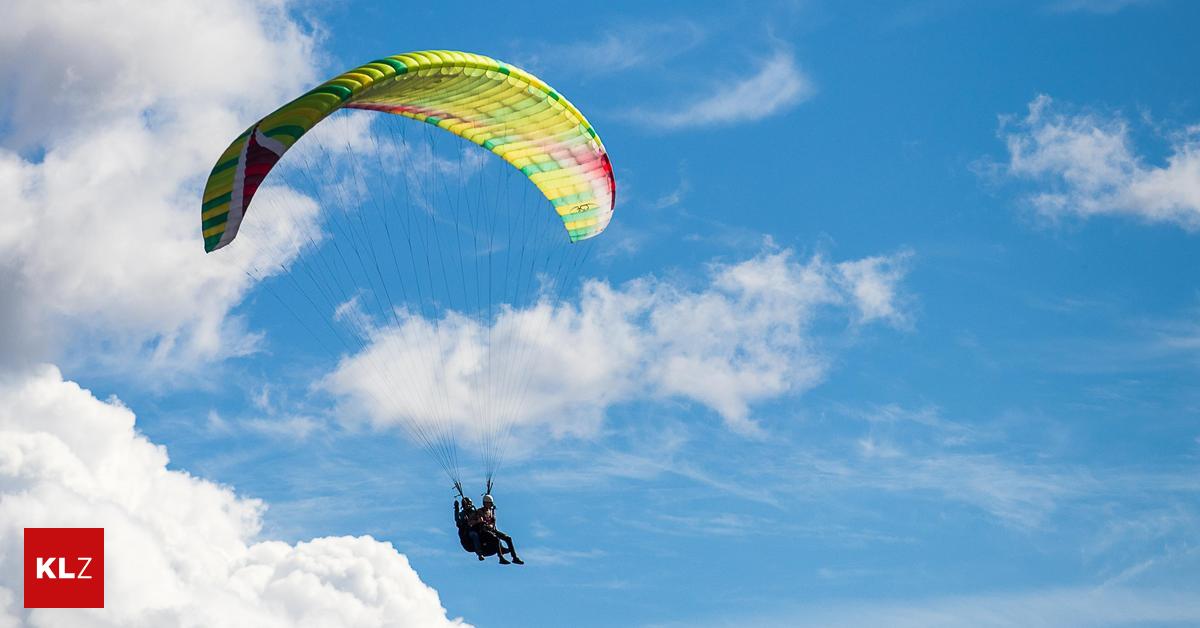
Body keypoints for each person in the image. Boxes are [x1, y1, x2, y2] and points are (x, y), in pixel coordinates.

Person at [478, 494, 523, 565]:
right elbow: (481, 521)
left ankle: (514, 557)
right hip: (484, 531)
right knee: (496, 539)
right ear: (485, 503)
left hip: (492, 530)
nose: (491, 505)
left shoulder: (490, 511)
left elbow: (492, 524)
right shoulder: (480, 511)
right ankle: (501, 557)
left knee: (508, 538)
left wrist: (492, 522)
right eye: (490, 503)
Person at [454, 497, 487, 561]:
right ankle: (479, 553)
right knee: (474, 535)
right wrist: (456, 509)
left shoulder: (475, 512)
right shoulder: (462, 514)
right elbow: (458, 521)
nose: (469, 505)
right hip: (467, 533)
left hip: (477, 528)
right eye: (467, 504)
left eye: (470, 504)